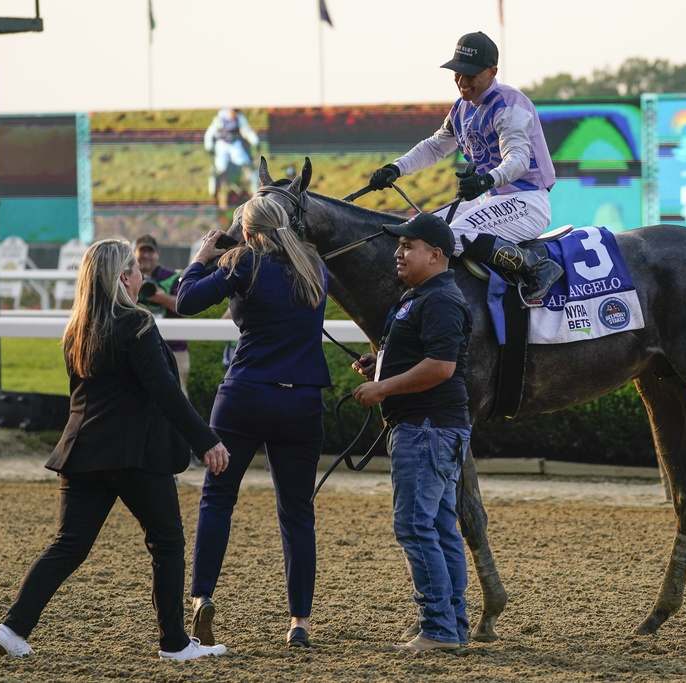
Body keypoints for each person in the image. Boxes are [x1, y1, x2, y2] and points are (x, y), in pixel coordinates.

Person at [0, 238, 231, 662]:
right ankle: (173, 642)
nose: (141, 274)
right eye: (136, 269)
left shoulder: (77, 329)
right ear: (124, 278)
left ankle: (11, 628)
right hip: (137, 455)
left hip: (81, 452)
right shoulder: (137, 323)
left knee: (67, 546)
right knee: (168, 543)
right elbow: (166, 392)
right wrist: (206, 439)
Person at [176, 196, 331, 649]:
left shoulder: (243, 263)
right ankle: (299, 621)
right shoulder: (314, 267)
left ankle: (202, 595)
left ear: (247, 233)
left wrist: (202, 259)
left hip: (245, 396)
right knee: (298, 515)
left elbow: (186, 302)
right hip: (302, 402)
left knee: (217, 499)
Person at [350, 213, 473, 651]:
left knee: (415, 527)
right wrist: (379, 366)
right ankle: (452, 625)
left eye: (409, 246)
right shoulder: (424, 295)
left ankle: (438, 628)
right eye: (400, 245)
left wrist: (383, 387)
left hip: (426, 428)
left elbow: (441, 366)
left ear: (436, 255)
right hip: (433, 427)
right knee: (438, 528)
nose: (399, 252)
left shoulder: (438, 299)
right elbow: (425, 357)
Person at [367, 31, 562, 303]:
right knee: (415, 231)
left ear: (493, 71)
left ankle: (536, 265)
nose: (462, 81)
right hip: (491, 201)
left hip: (528, 202)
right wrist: (396, 168)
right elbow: (435, 147)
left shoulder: (511, 105)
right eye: (457, 73)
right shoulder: (461, 108)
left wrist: (486, 181)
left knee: (451, 237)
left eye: (470, 75)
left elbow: (517, 159)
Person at [133, 235, 190, 396]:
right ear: (134, 253)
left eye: (149, 251)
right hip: (139, 347)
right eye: (141, 251)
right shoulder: (128, 278)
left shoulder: (171, 277)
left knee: (178, 395)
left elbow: (184, 307)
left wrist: (161, 297)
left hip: (173, 347)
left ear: (157, 253)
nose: (145, 256)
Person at [204, 108, 260, 209]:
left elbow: (247, 131)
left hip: (235, 144)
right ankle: (214, 184)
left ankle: (254, 191)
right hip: (222, 145)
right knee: (220, 168)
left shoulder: (239, 118)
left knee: (247, 165)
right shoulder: (220, 119)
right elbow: (210, 133)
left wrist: (255, 141)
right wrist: (209, 146)